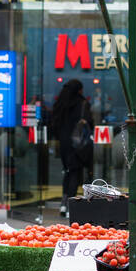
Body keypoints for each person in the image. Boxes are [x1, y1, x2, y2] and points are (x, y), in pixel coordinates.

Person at [49, 79, 92, 215]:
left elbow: (53, 125)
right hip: (77, 144)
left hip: (64, 144)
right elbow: (89, 123)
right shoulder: (82, 104)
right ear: (79, 90)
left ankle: (63, 203)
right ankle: (70, 205)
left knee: (67, 171)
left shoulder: (60, 105)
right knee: (75, 173)